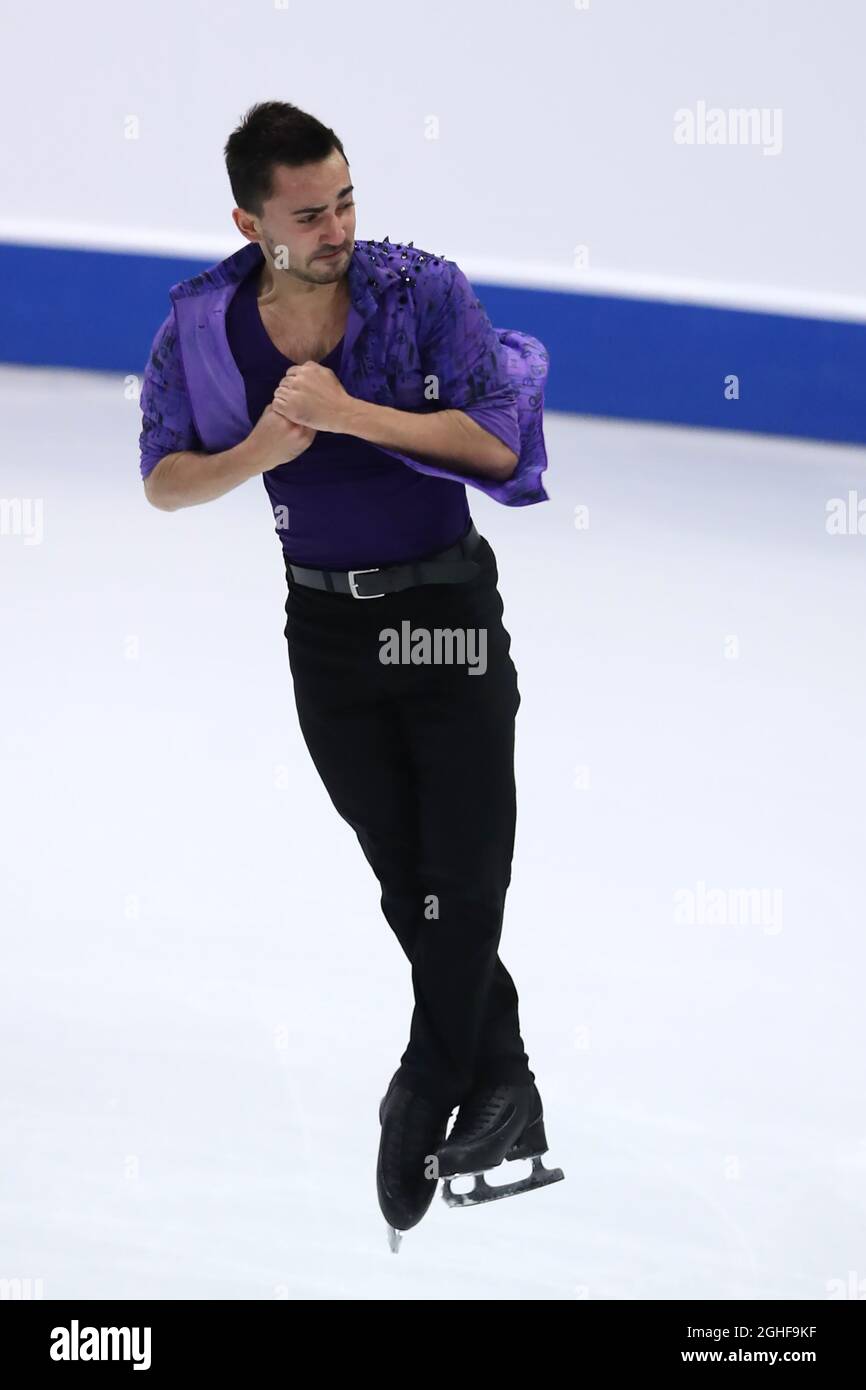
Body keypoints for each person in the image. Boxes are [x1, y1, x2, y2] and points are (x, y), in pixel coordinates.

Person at [138, 100, 558, 1240]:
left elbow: (499, 443)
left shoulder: (420, 295)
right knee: (407, 874)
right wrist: (259, 452)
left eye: (346, 200)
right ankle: (504, 1081)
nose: (337, 228)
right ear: (248, 218)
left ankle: (423, 1086)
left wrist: (351, 415)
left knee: (464, 880)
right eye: (309, 213)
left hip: (444, 617)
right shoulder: (204, 326)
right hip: (325, 637)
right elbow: (164, 480)